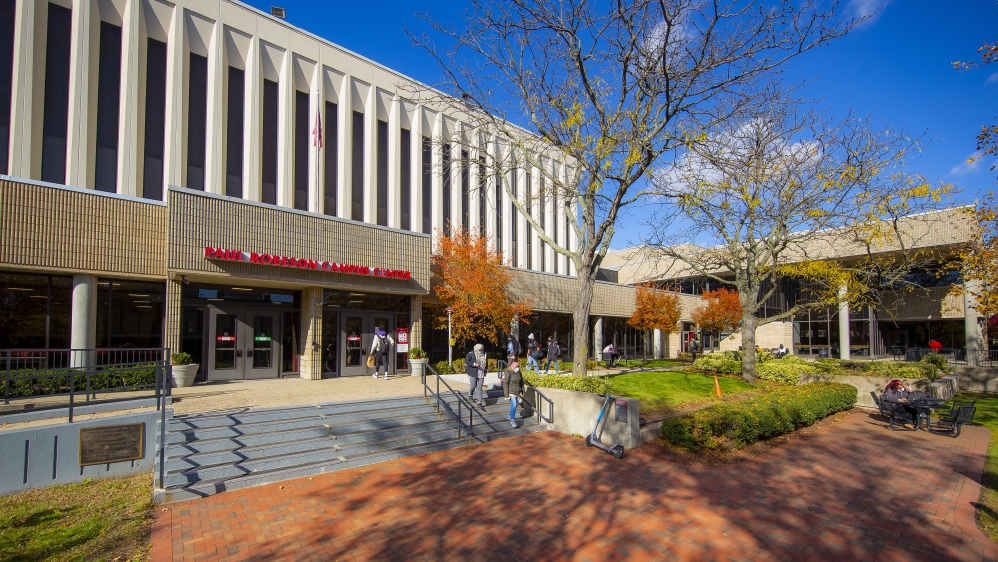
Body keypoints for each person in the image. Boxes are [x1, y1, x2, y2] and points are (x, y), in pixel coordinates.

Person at [503, 361, 525, 428]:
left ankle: (510, 416)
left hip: (517, 392)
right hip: (511, 392)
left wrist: (522, 391)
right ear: (513, 367)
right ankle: (513, 420)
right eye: (516, 367)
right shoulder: (509, 373)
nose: (517, 368)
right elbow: (506, 383)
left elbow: (521, 382)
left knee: (515, 406)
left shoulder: (519, 373)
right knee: (514, 405)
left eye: (518, 367)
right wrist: (506, 394)